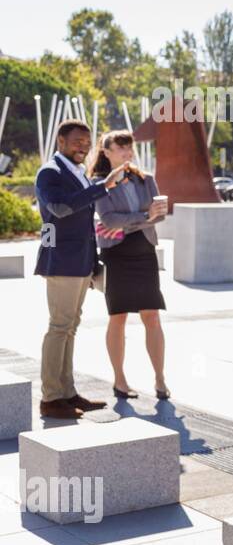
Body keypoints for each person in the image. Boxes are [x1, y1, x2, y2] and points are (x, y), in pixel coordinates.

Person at [33, 119, 133, 419]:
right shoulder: (50, 172)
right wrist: (103, 186)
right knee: (59, 326)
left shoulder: (78, 172)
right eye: (77, 140)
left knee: (70, 327)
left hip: (79, 261)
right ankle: (51, 398)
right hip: (61, 259)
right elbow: (60, 209)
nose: (84, 146)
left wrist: (92, 262)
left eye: (87, 142)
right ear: (60, 142)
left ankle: (67, 392)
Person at [91, 130, 170, 401]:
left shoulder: (146, 179)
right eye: (120, 148)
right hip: (116, 254)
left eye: (129, 147)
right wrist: (142, 217)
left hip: (144, 251)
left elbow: (157, 217)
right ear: (107, 152)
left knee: (153, 315)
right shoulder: (100, 183)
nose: (126, 152)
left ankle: (160, 379)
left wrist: (140, 219)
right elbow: (109, 220)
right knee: (118, 316)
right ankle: (120, 380)